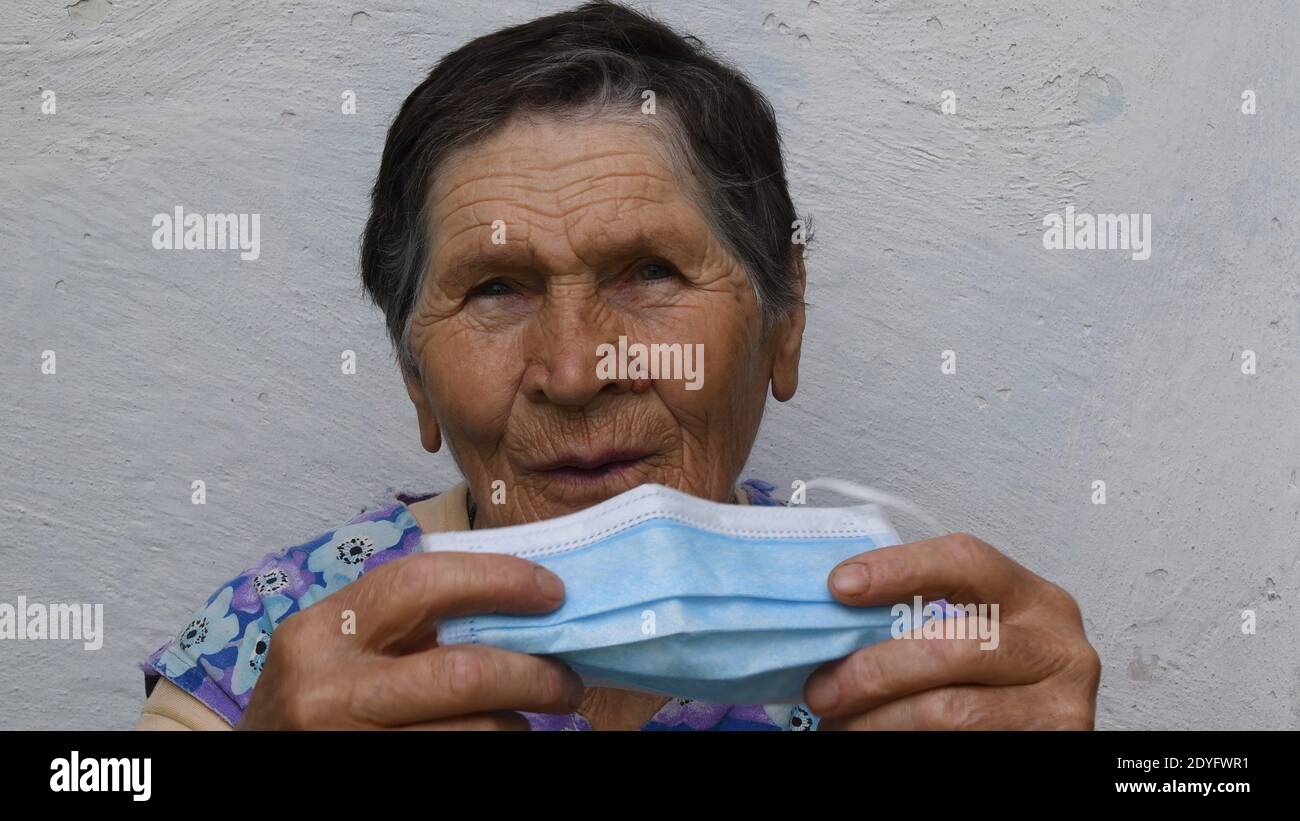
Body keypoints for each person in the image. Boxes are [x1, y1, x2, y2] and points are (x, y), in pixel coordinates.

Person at [136, 1, 1099, 731]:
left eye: (649, 271)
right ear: (413, 372)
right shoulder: (281, 644)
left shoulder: (921, 651)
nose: (575, 367)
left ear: (783, 317)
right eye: (495, 290)